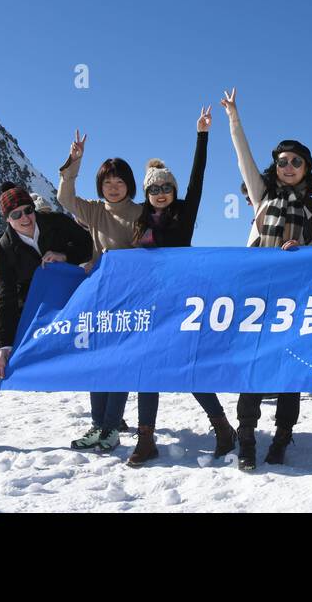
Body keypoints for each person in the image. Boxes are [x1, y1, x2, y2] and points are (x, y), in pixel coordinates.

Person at [221, 87, 312, 470]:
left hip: (296, 296)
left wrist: (300, 254)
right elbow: (242, 158)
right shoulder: (261, 194)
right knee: (252, 367)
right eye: (282, 160)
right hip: (257, 293)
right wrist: (234, 116)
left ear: (306, 168)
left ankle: (283, 435)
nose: (288, 166)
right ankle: (247, 438)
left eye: (295, 161)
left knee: (289, 366)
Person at [126, 106, 238, 467]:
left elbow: (199, 177)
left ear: (174, 190)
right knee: (147, 368)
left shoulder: (184, 213)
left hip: (182, 298)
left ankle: (222, 427)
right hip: (150, 301)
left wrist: (202, 135)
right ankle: (146, 439)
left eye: (166, 188)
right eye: (154, 189)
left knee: (189, 365)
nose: (160, 193)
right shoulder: (139, 219)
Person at [0, 185, 93, 452]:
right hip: (27, 306)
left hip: (69, 299)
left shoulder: (55, 222)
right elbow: (5, 297)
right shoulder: (3, 248)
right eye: (16, 215)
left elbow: (87, 245)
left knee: (92, 345)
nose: (25, 218)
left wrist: (65, 257)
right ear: (7, 219)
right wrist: (5, 346)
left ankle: (108, 419)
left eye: (28, 210)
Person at [58, 133, 141, 453]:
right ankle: (98, 424)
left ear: (128, 184)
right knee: (97, 360)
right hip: (98, 296)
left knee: (117, 362)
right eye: (108, 181)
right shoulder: (93, 210)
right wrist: (74, 160)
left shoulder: (139, 213)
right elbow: (65, 198)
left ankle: (111, 427)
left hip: (128, 297)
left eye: (119, 181)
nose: (114, 186)